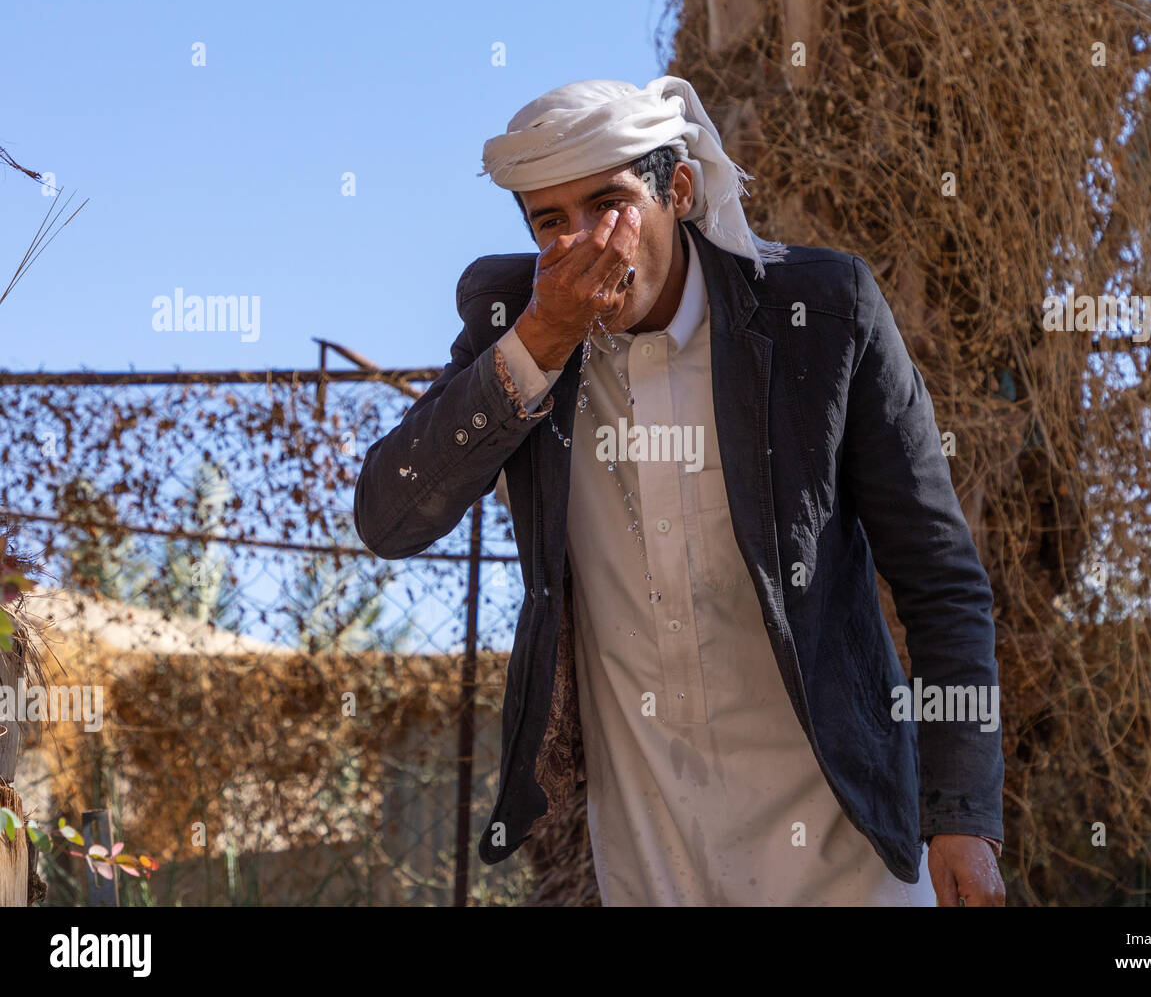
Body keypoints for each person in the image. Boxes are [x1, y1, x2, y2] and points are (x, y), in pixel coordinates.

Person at [353, 75, 1005, 906]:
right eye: (550, 221)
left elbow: (941, 578)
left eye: (607, 204)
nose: (582, 241)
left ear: (680, 189)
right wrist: (540, 342)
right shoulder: (514, 323)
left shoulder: (824, 314)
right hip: (649, 852)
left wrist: (964, 815)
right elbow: (388, 515)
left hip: (844, 843)